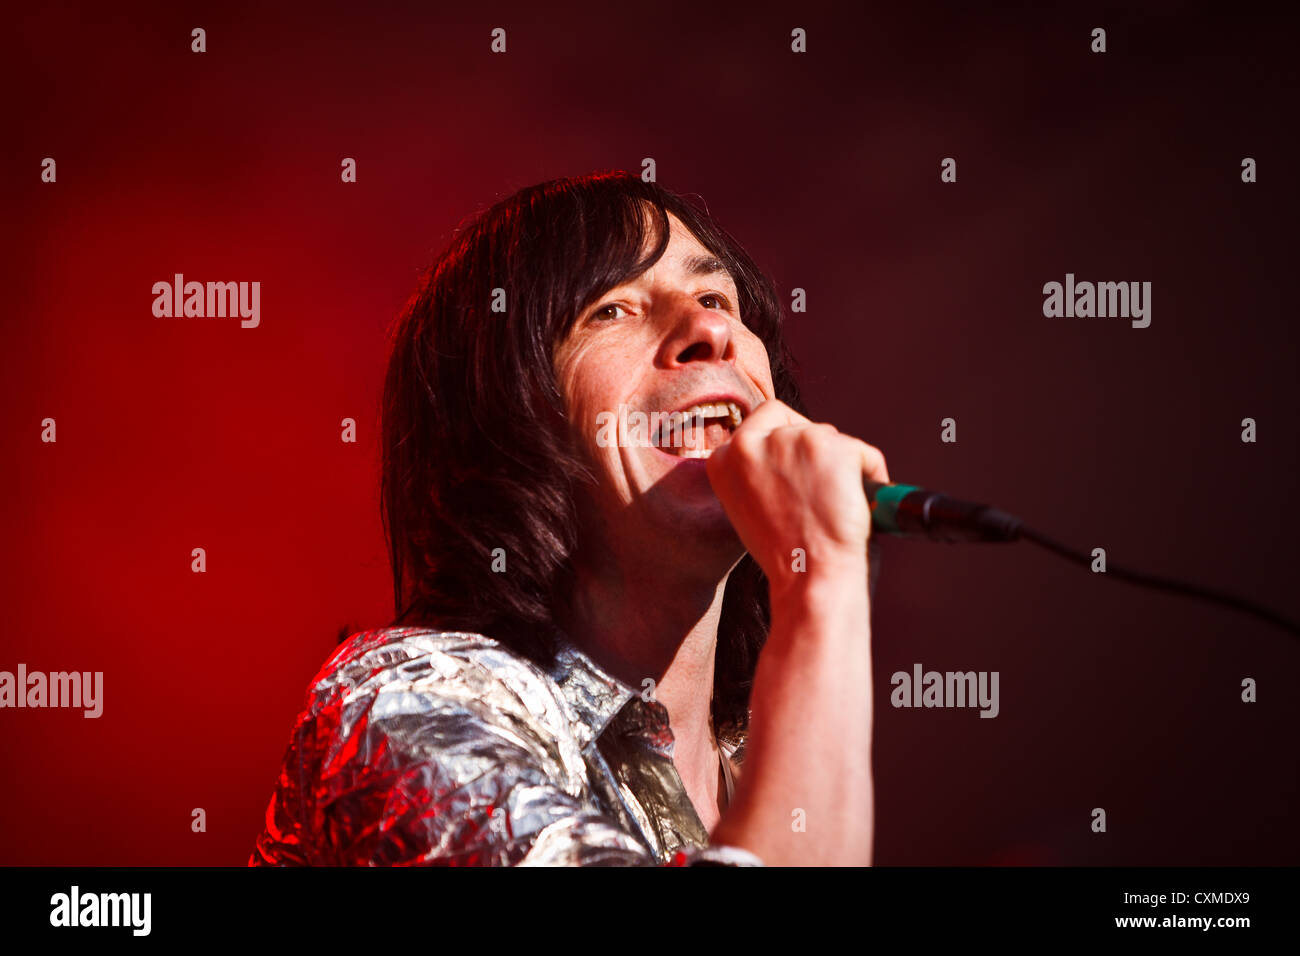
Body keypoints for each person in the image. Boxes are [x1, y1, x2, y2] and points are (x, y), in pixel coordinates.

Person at [249, 170, 890, 866]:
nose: (709, 328)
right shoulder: (408, 709)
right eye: (610, 309)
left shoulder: (769, 766)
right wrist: (822, 581)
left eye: (714, 296)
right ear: (506, 418)